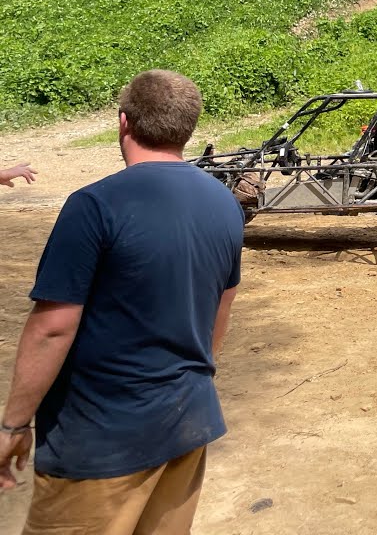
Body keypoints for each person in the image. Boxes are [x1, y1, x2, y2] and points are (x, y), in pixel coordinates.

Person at [0, 70, 244, 534]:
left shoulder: (93, 206)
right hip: (187, 423)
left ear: (122, 123)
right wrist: (190, 381)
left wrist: (13, 426)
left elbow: (53, 327)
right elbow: (221, 310)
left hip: (101, 437)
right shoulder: (224, 202)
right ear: (186, 129)